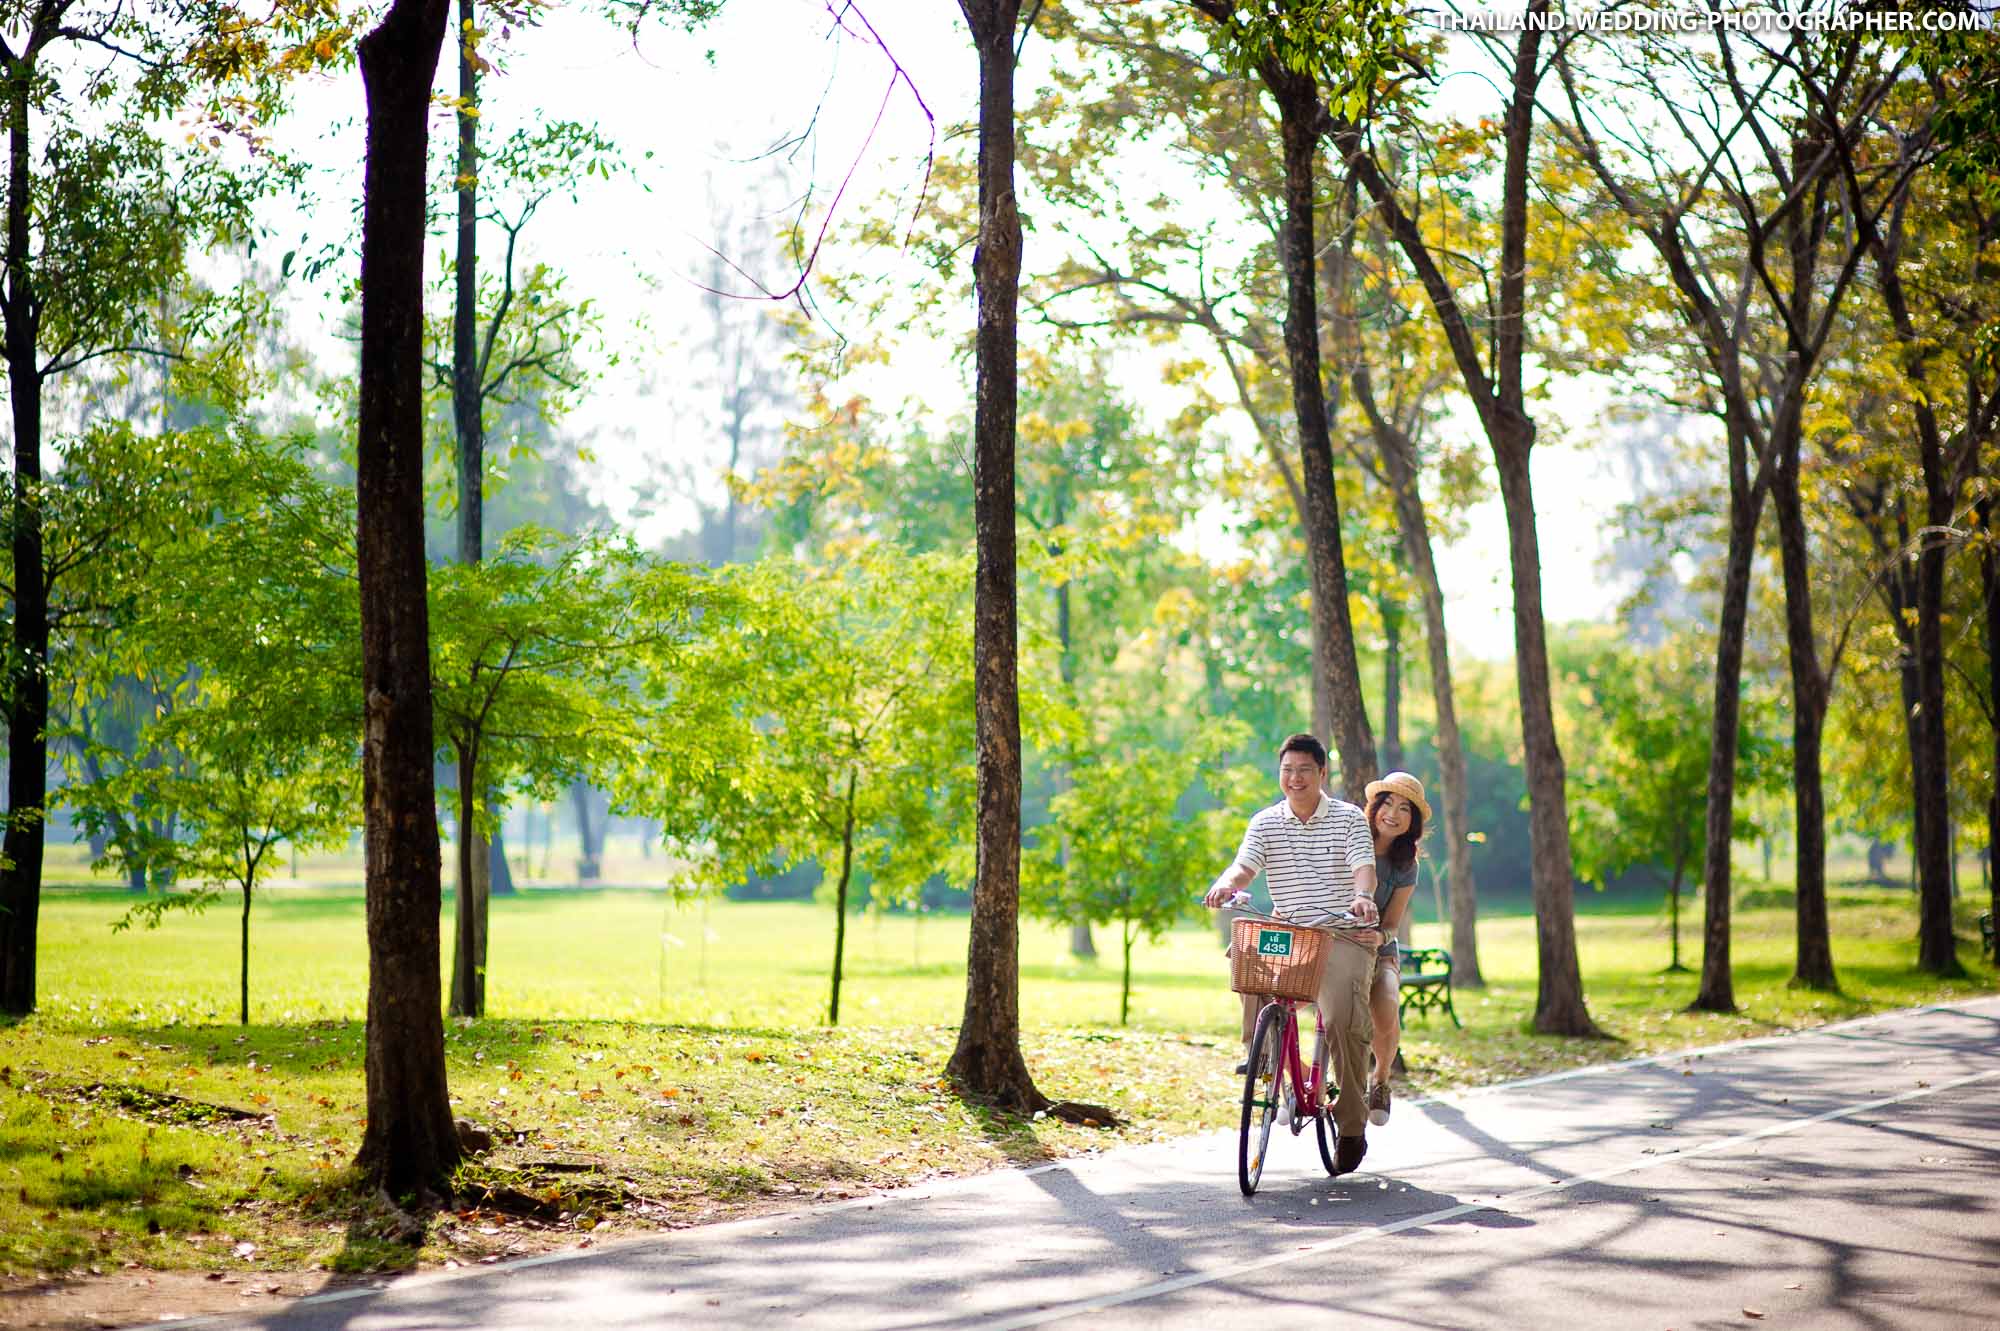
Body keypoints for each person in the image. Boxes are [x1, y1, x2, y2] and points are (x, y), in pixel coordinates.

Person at [1203, 733, 1381, 1175]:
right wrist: (1228, 884)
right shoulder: (1265, 822)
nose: (1295, 778)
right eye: (1287, 770)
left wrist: (1362, 896)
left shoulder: (1348, 819)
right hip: (1292, 932)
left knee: (1341, 1021)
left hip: (1341, 933)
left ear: (1323, 773)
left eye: (1304, 770)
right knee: (1248, 951)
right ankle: (1262, 1054)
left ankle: (1353, 1125)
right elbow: (1244, 866)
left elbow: (1364, 867)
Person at [1361, 771, 1429, 1128]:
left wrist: (1378, 939)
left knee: (1386, 1009)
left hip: (1380, 949)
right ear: (1374, 807)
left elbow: (1392, 923)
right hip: (1337, 942)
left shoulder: (1407, 865)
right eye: (1387, 803)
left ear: (1412, 822)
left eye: (1405, 808)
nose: (1393, 813)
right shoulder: (1352, 841)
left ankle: (1381, 1079)